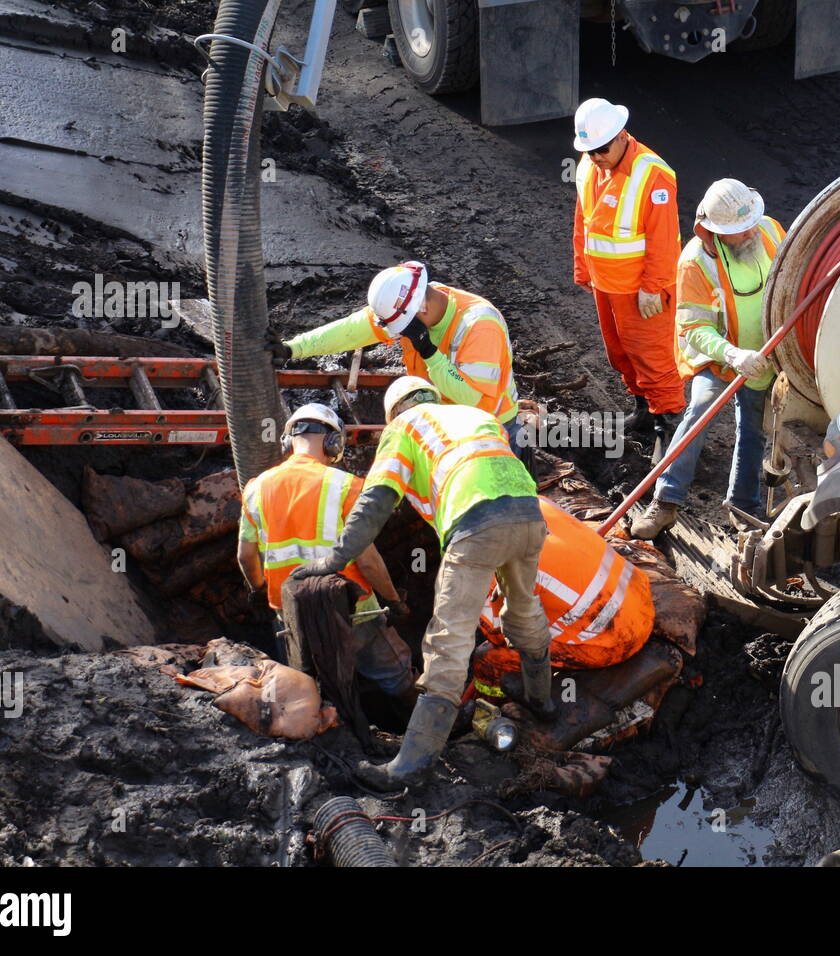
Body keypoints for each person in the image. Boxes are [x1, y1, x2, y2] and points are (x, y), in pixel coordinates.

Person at [292, 377, 552, 789]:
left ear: (394, 410)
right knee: (523, 609)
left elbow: (377, 500)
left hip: (476, 524)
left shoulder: (404, 428)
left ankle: (410, 767)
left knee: (447, 643)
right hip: (529, 516)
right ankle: (543, 701)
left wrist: (337, 558)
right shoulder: (474, 415)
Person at [632, 179, 787, 539]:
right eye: (738, 230)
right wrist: (733, 354)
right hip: (720, 357)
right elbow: (695, 329)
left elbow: (792, 276)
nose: (749, 233)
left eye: (750, 224)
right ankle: (665, 502)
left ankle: (742, 507)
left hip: (765, 356)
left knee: (752, 429)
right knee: (699, 412)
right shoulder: (694, 264)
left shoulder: (768, 229)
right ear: (715, 232)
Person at [236, 403, 415, 707]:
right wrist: (394, 601)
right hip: (352, 610)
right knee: (396, 675)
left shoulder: (256, 488)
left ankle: (321, 738)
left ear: (288, 440)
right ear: (334, 442)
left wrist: (258, 590)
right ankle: (427, 732)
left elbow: (245, 557)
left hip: (292, 612)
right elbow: (368, 561)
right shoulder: (346, 486)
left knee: (306, 688)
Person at [266, 261, 523, 445]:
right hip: (446, 421)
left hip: (490, 431)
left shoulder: (479, 326)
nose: (398, 333)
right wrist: (294, 348)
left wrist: (429, 352)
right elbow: (351, 330)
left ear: (420, 310)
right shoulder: (412, 305)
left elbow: (472, 399)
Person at [571, 98, 685, 445]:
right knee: (620, 353)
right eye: (589, 150)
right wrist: (582, 267)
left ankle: (670, 427)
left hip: (641, 292)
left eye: (601, 149)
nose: (595, 157)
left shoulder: (653, 175)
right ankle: (644, 411)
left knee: (654, 359)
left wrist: (653, 287)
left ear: (622, 136)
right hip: (606, 285)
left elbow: (664, 240)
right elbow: (584, 219)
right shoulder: (591, 166)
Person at [471, 496, 654, 702]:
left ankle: (487, 705)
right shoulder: (535, 501)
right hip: (638, 594)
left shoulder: (490, 563)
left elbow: (499, 636)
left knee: (488, 658)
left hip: (616, 638)